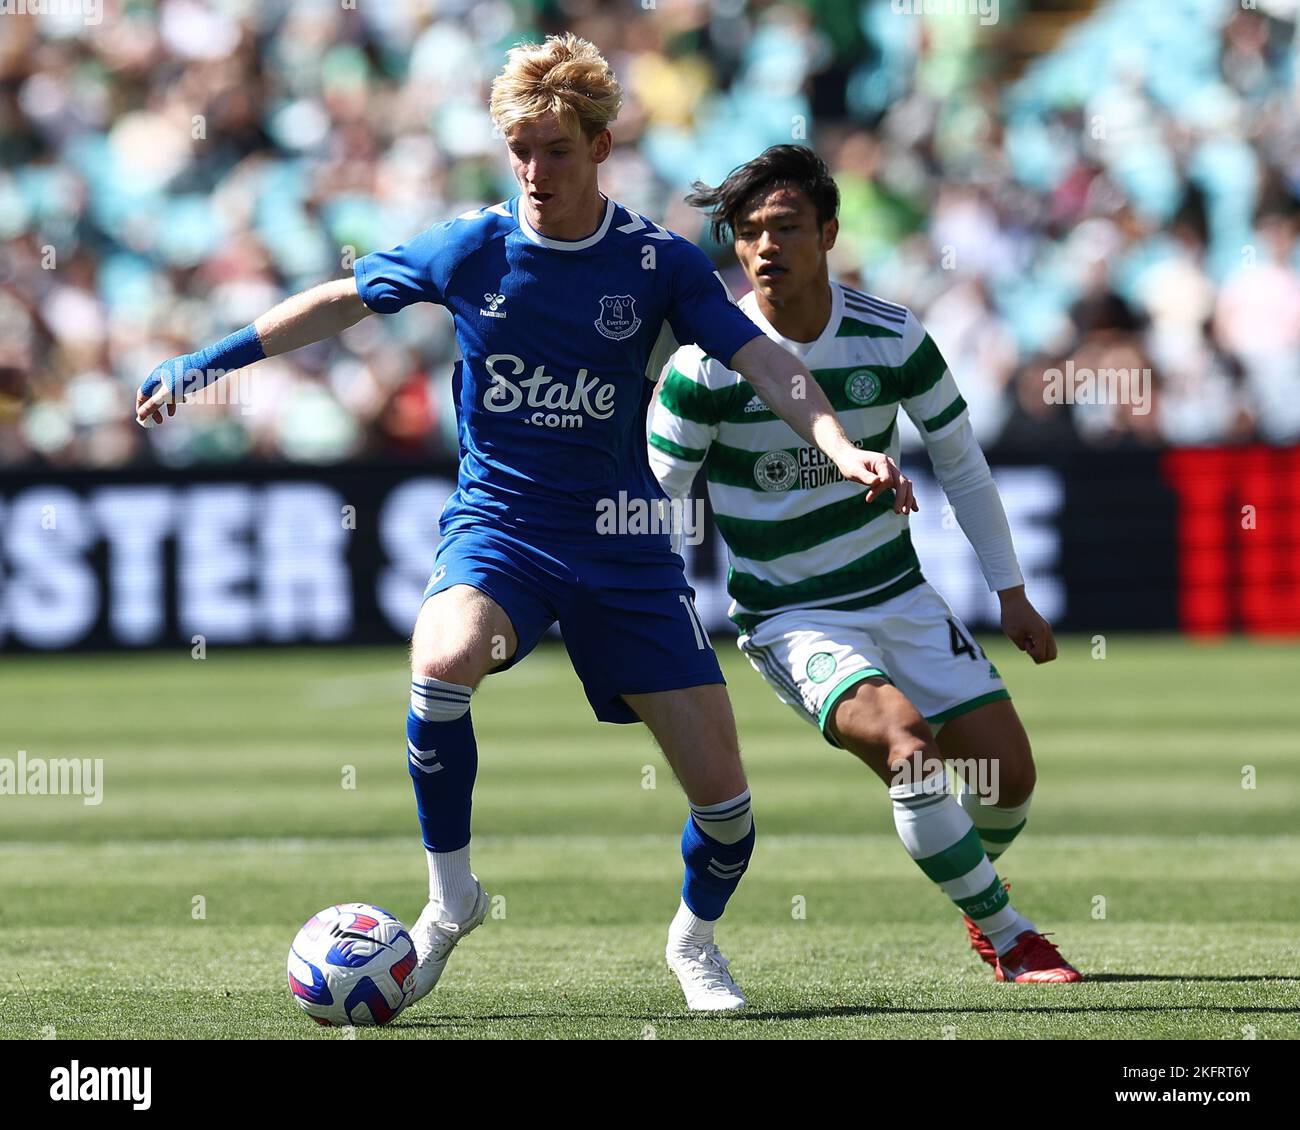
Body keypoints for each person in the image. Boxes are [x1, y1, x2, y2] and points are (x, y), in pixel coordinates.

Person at [135, 39, 916, 1011]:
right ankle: (450, 894)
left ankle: (694, 938)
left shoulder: (655, 262)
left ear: (600, 145)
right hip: (502, 522)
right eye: (521, 150)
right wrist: (202, 363)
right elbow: (341, 301)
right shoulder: (471, 246)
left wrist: (842, 446)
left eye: (555, 149)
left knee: (725, 807)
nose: (536, 172)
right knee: (441, 660)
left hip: (625, 540)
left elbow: (765, 360)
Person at [649, 144, 1081, 983]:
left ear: (830, 233)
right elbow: (657, 504)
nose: (765, 247)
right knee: (908, 748)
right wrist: (661, 623)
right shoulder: (703, 364)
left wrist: (1012, 593)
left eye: (785, 226)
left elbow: (960, 463)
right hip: (789, 614)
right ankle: (1010, 931)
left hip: (899, 595)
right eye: (746, 233)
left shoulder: (891, 335)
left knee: (1009, 777)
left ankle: (973, 885)